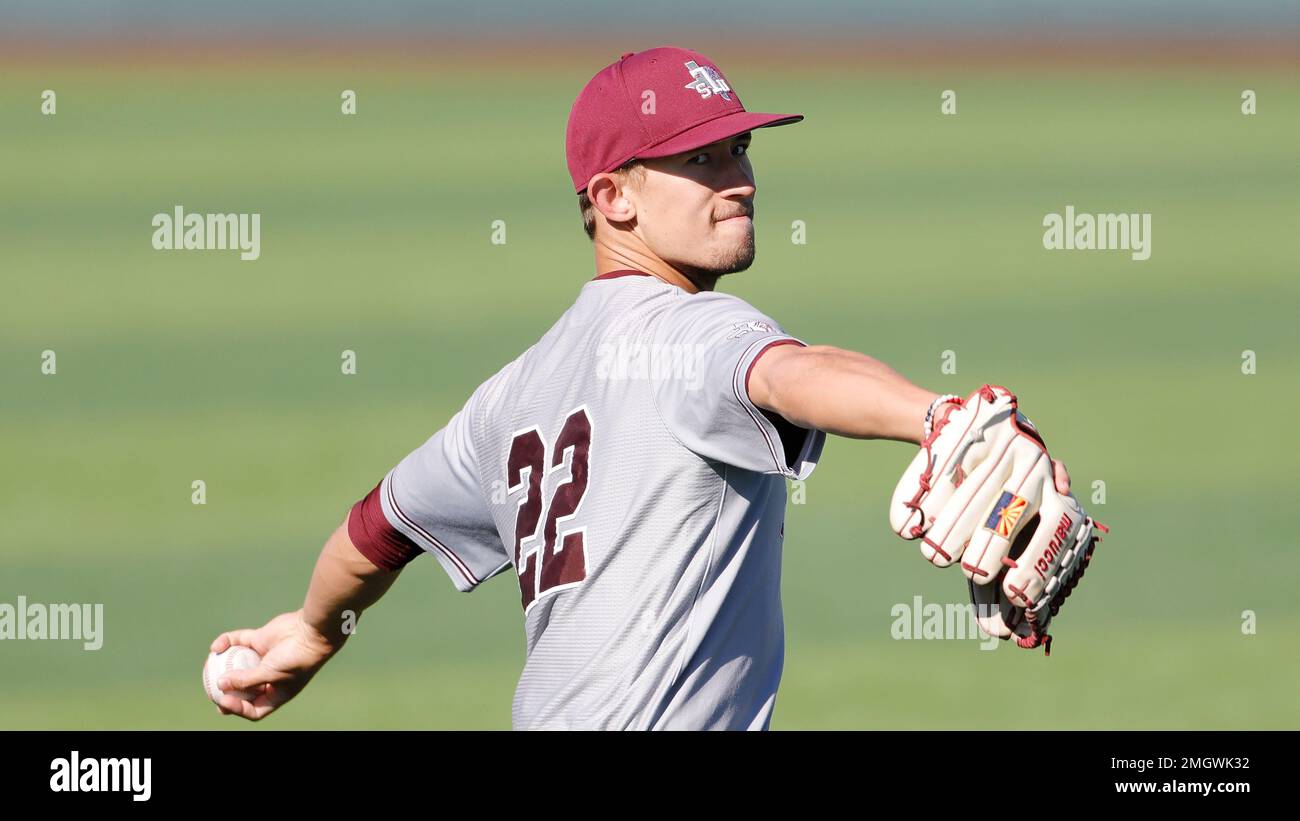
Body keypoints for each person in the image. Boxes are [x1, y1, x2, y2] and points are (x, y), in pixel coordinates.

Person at [209, 46, 1071, 729]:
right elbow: (789, 372)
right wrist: (931, 416)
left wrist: (314, 628)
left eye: (740, 148)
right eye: (701, 159)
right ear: (614, 198)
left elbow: (380, 524)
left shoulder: (508, 396)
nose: (742, 179)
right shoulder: (688, 331)